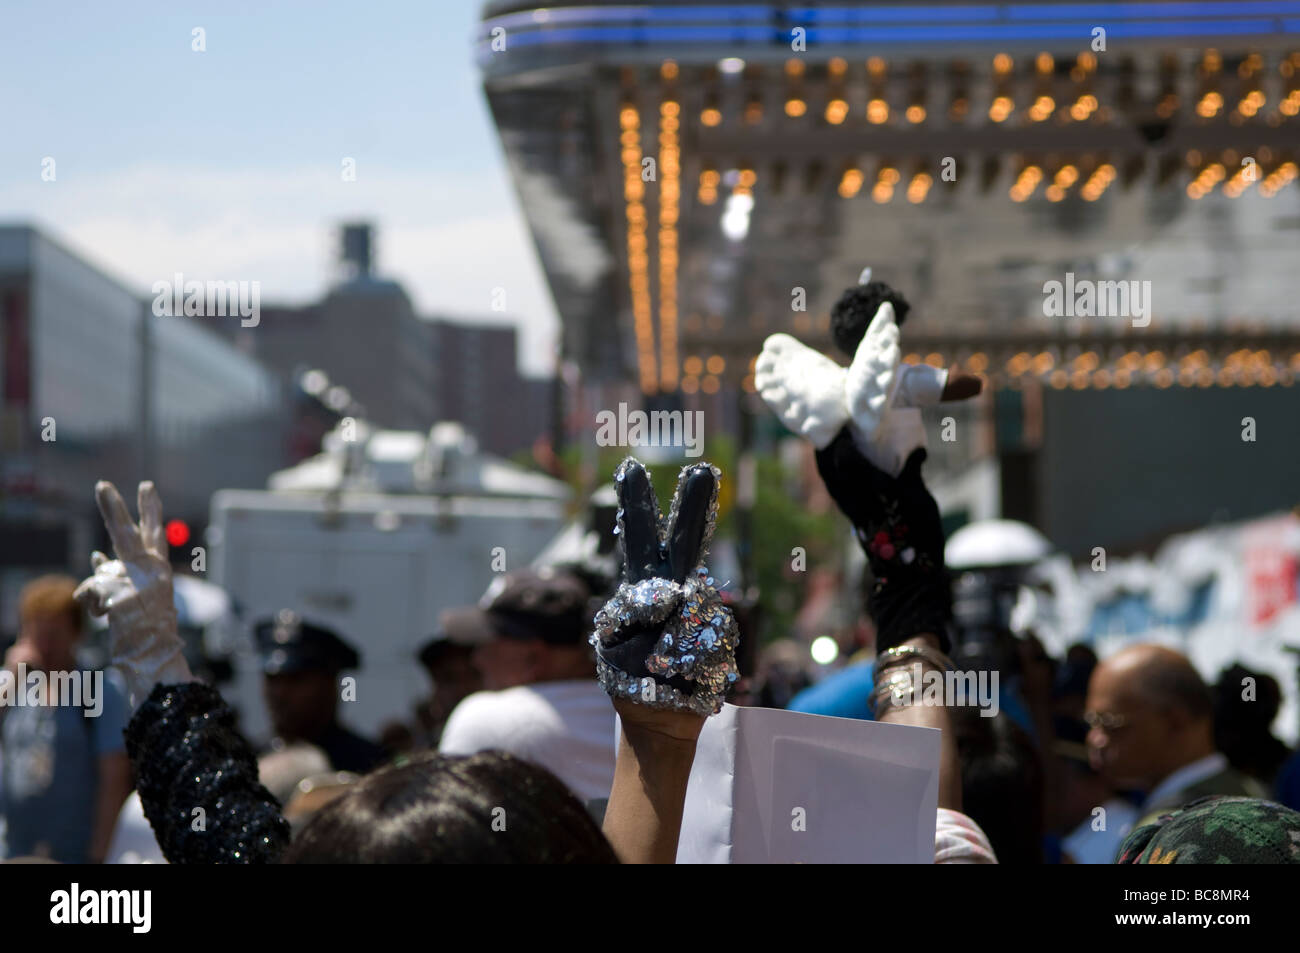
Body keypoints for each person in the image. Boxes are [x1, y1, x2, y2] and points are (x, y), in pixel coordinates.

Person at [437, 567, 616, 804]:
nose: (476, 659)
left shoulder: (488, 717)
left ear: (534, 658)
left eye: (488, 643)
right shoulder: (640, 710)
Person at [0, 575, 132, 863]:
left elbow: (114, 776)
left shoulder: (100, 689)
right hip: (14, 851)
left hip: (74, 854)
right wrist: (10, 680)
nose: (45, 648)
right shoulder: (12, 685)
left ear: (76, 634)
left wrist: (99, 854)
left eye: (54, 637)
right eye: (38, 636)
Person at [1085, 644, 1265, 837]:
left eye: (1110, 723)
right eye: (1091, 723)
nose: (1094, 738)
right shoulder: (1253, 793)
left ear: (1175, 721)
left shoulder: (1174, 830)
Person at [254, 611, 388, 775]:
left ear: (329, 684)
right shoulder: (248, 759)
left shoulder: (370, 765)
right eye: (272, 679)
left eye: (296, 679)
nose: (280, 693)